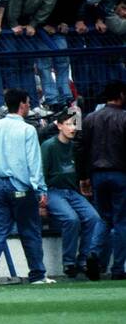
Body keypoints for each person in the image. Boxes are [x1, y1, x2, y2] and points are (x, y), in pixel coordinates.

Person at [0, 89, 54, 285]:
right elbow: (33, 162)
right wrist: (40, 189)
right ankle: (37, 274)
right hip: (20, 186)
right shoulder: (28, 130)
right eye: (28, 102)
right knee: (29, 230)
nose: (29, 106)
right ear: (22, 104)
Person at [42, 109, 104, 281]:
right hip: (53, 190)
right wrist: (41, 198)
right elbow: (41, 173)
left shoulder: (76, 146)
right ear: (59, 125)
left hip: (72, 191)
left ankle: (84, 259)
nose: (72, 128)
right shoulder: (49, 146)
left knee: (93, 218)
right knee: (71, 219)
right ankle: (69, 262)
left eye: (74, 124)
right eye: (68, 124)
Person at [83, 81, 126, 279]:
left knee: (103, 218)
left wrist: (83, 176)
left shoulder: (91, 118)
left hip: (97, 174)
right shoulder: (124, 118)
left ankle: (93, 255)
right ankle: (118, 268)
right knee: (121, 221)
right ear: (121, 95)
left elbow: (82, 148)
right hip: (120, 173)